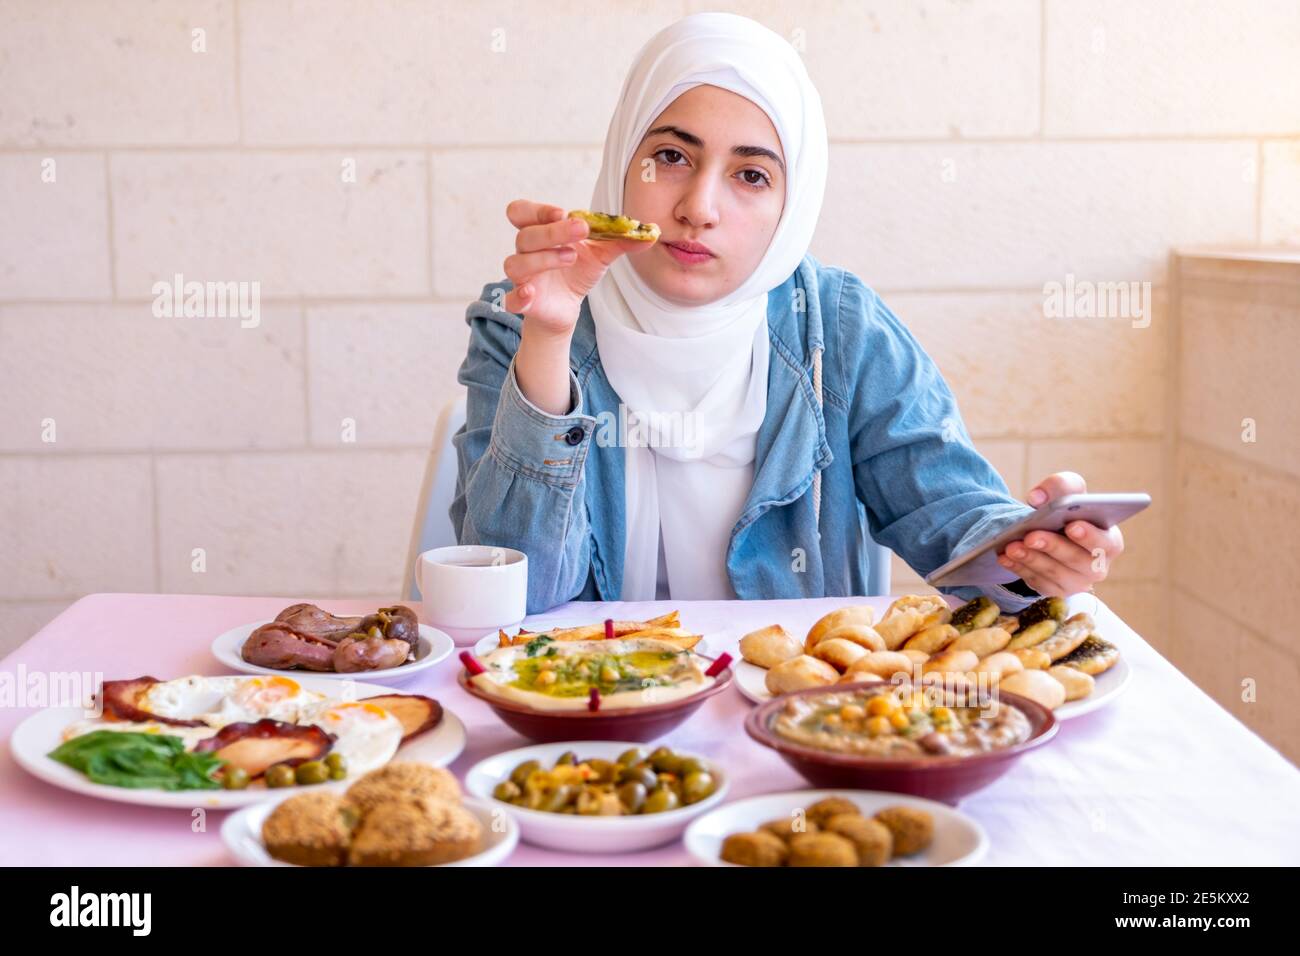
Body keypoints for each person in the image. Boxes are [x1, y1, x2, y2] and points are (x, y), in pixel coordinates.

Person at [452, 12, 1123, 614]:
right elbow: (518, 600)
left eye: (751, 176)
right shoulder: (524, 314)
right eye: (671, 157)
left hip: (797, 719)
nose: (699, 207)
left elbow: (960, 533)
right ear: (622, 160)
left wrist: (1040, 550)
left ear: (792, 205)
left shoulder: (840, 327)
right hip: (594, 723)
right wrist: (549, 341)